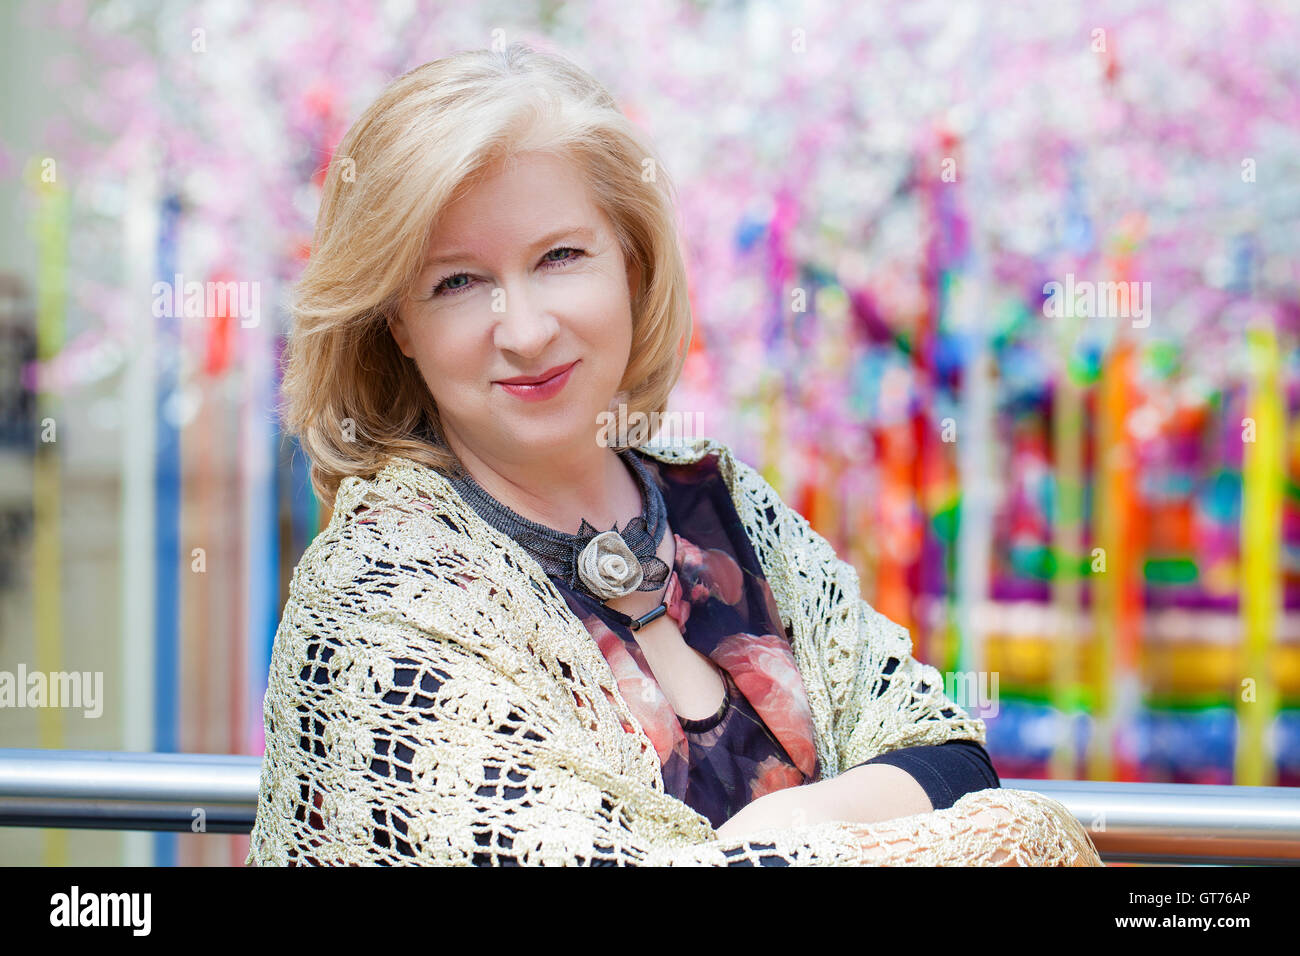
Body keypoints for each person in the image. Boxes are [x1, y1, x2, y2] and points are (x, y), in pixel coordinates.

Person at [245, 43, 1102, 866]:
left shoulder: (722, 505)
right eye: (457, 282)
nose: (528, 329)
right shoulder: (380, 595)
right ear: (397, 321)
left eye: (561, 256)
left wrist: (794, 820)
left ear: (633, 263)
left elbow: (947, 757)